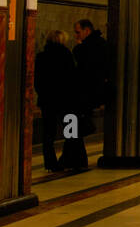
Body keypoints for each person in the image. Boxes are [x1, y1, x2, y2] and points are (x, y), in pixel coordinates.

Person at [65, 18, 109, 171]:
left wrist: (79, 47)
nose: (77, 36)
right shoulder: (102, 43)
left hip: (84, 93)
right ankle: (71, 157)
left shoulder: (87, 47)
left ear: (87, 30)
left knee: (71, 123)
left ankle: (72, 158)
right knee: (73, 124)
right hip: (94, 92)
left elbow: (84, 63)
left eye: (78, 32)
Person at [34, 29, 76, 172]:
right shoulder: (66, 55)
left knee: (48, 133)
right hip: (66, 100)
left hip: (47, 101)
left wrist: (43, 94)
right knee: (71, 130)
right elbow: (72, 78)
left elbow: (37, 80)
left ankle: (50, 162)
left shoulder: (41, 56)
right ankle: (68, 158)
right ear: (61, 40)